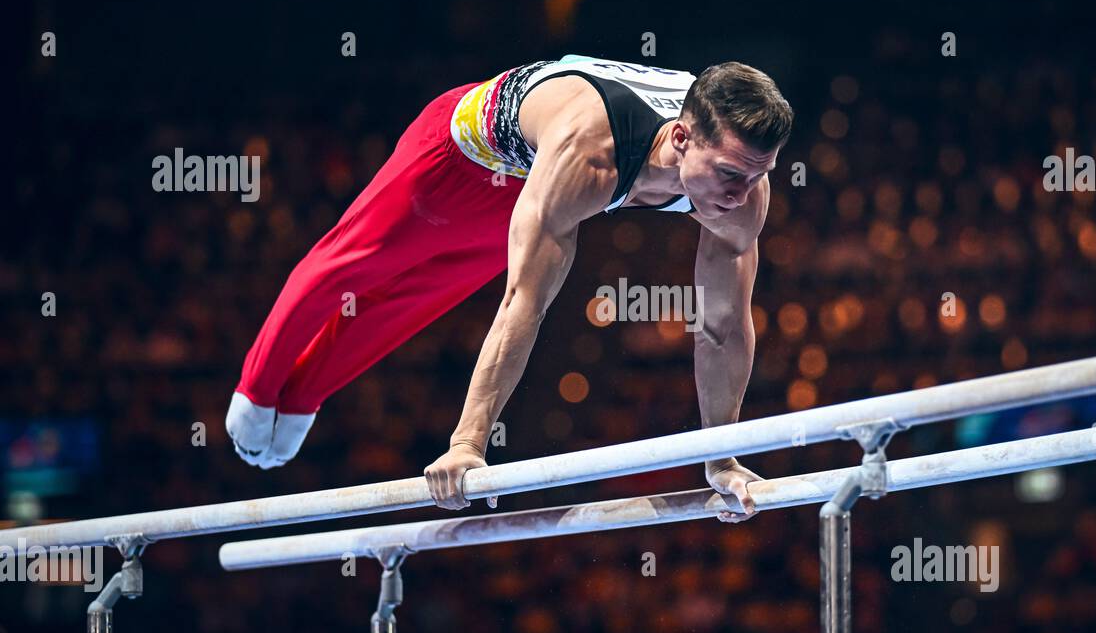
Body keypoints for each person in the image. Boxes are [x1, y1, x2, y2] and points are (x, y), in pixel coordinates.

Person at [225, 55, 792, 521]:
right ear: (681, 138)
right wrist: (469, 442)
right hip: (454, 159)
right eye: (729, 174)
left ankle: (301, 399)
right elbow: (527, 301)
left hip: (523, 193)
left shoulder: (742, 190)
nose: (743, 194)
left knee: (412, 302)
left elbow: (720, 327)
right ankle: (258, 387)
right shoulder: (590, 149)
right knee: (350, 269)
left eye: (757, 175)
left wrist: (721, 457)